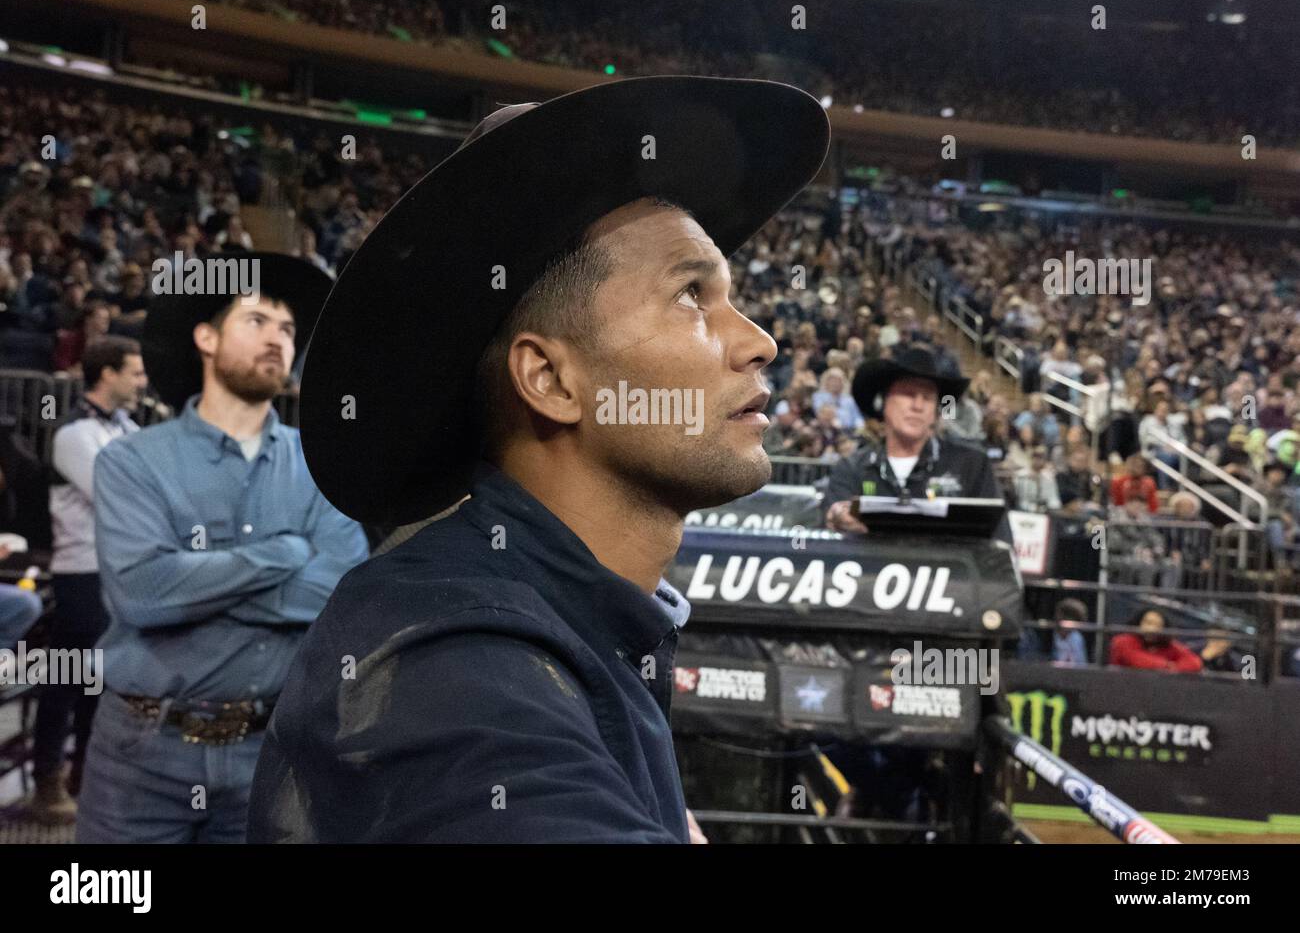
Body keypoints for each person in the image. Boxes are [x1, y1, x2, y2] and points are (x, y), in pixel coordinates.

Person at [247, 76, 830, 843]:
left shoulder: (567, 613)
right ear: (551, 380)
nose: (761, 341)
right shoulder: (447, 660)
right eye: (692, 296)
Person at [75, 253, 369, 843]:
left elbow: (341, 591)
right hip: (142, 753)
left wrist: (197, 581)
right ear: (206, 338)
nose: (278, 340)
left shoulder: (322, 467)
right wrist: (287, 554)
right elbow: (140, 594)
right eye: (257, 321)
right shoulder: (131, 460)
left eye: (287, 330)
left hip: (271, 749)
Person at [28, 336, 146, 825]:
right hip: (80, 571)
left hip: (118, 570)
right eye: (135, 372)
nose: (143, 381)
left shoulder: (130, 428)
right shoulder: (74, 433)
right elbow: (120, 500)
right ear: (108, 374)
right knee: (67, 677)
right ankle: (46, 779)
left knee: (103, 681)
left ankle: (86, 774)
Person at [822, 345, 1009, 540]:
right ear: (883, 403)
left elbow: (1000, 546)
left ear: (936, 412)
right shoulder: (851, 470)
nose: (918, 406)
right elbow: (829, 544)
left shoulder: (972, 466)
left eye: (927, 398)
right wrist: (838, 519)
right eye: (908, 393)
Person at [1108, 609, 1203, 673]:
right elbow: (1138, 661)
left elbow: (1194, 662)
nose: (1152, 629)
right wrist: (1167, 666)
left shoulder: (1168, 644)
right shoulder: (1122, 640)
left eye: (1158, 626)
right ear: (1138, 623)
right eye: (1148, 623)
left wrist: (1174, 668)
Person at [1050, 598, 1090, 666]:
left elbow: (1079, 664)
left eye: (1060, 614)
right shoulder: (1056, 634)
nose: (1056, 617)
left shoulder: (1076, 638)